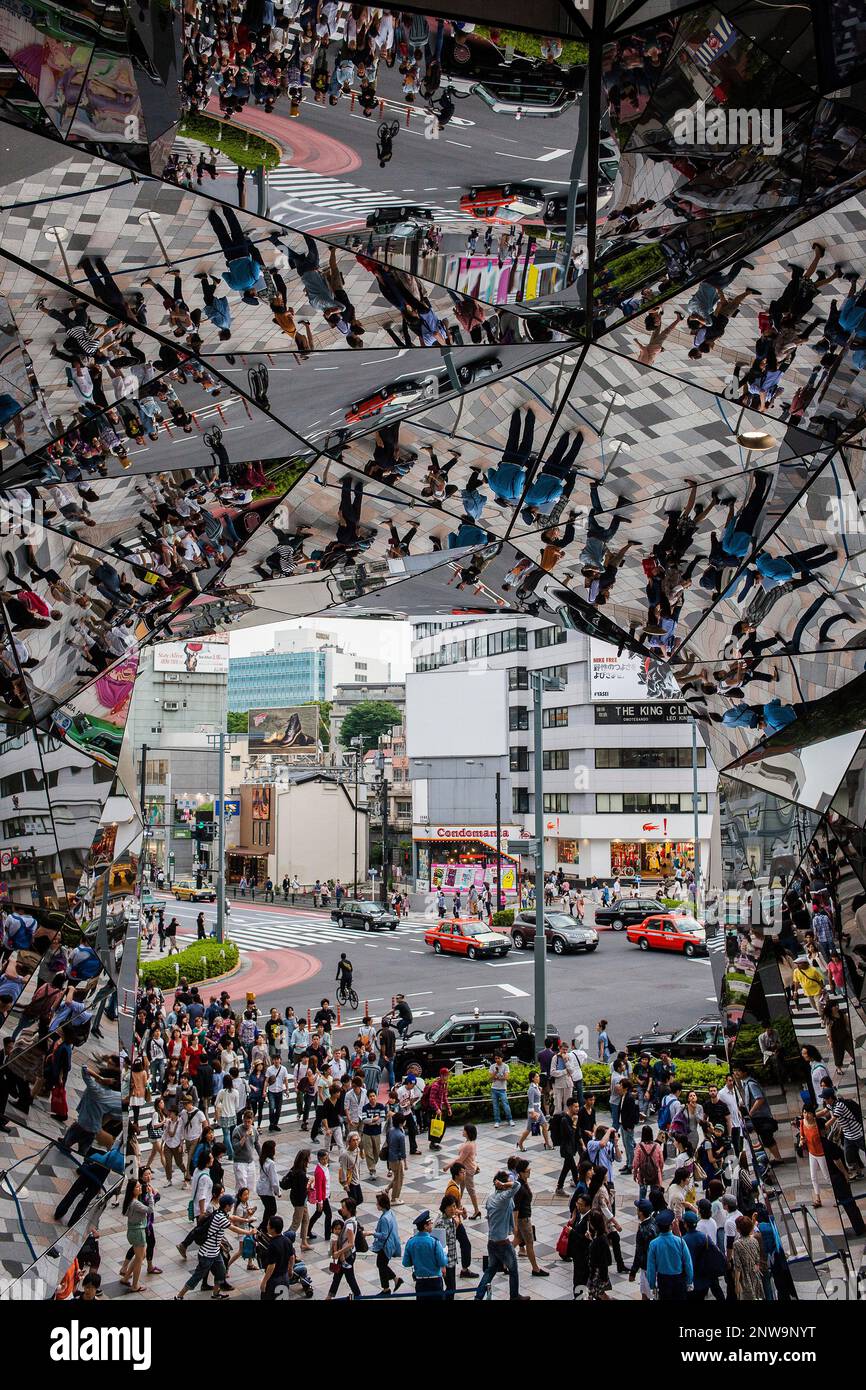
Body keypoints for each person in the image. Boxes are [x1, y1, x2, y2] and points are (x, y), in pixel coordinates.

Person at [474, 1171, 528, 1301]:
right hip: (502, 1243)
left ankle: (478, 1296)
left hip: (492, 1240)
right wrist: (504, 1185)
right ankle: (514, 1296)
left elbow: (489, 1216)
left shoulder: (491, 1198)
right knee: (513, 1269)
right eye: (506, 1180)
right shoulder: (504, 1198)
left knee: (491, 1270)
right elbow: (517, 1185)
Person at [646, 1208, 693, 1300]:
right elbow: (688, 1263)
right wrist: (689, 1281)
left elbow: (651, 1267)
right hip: (679, 1280)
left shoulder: (653, 1244)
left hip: (663, 1281)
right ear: (671, 1226)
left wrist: (652, 1285)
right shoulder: (680, 1241)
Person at [402, 1209, 447, 1299]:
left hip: (420, 1282)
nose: (432, 1225)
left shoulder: (411, 1242)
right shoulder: (434, 1242)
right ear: (425, 1226)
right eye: (430, 1223)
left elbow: (406, 1263)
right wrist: (445, 1253)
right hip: (435, 1281)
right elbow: (442, 1262)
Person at [372, 1191, 403, 1296]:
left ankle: (386, 1289)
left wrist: (371, 1233)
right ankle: (395, 1279)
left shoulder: (385, 1218)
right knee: (381, 1264)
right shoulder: (390, 1213)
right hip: (391, 1244)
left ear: (382, 1205)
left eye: (377, 1203)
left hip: (386, 1246)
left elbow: (384, 1235)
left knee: (381, 1265)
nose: (376, 1205)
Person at [518, 1071, 552, 1151]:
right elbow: (531, 1102)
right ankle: (520, 1143)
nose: (538, 1078)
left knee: (544, 1125)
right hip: (534, 1111)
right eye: (536, 1077)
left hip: (538, 1110)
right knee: (529, 1129)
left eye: (538, 1076)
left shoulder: (536, 1086)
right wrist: (532, 1113)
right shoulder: (531, 1089)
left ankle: (547, 1144)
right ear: (532, 1078)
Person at [489, 1053, 513, 1128]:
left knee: (506, 1105)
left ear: (502, 1058)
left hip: (502, 1089)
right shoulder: (492, 1066)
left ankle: (510, 1120)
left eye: (498, 1058)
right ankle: (497, 1121)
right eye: (496, 1058)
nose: (497, 1060)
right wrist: (495, 1073)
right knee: (495, 1106)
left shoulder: (506, 1066)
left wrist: (497, 1077)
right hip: (494, 1089)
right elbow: (490, 1078)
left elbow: (506, 1077)